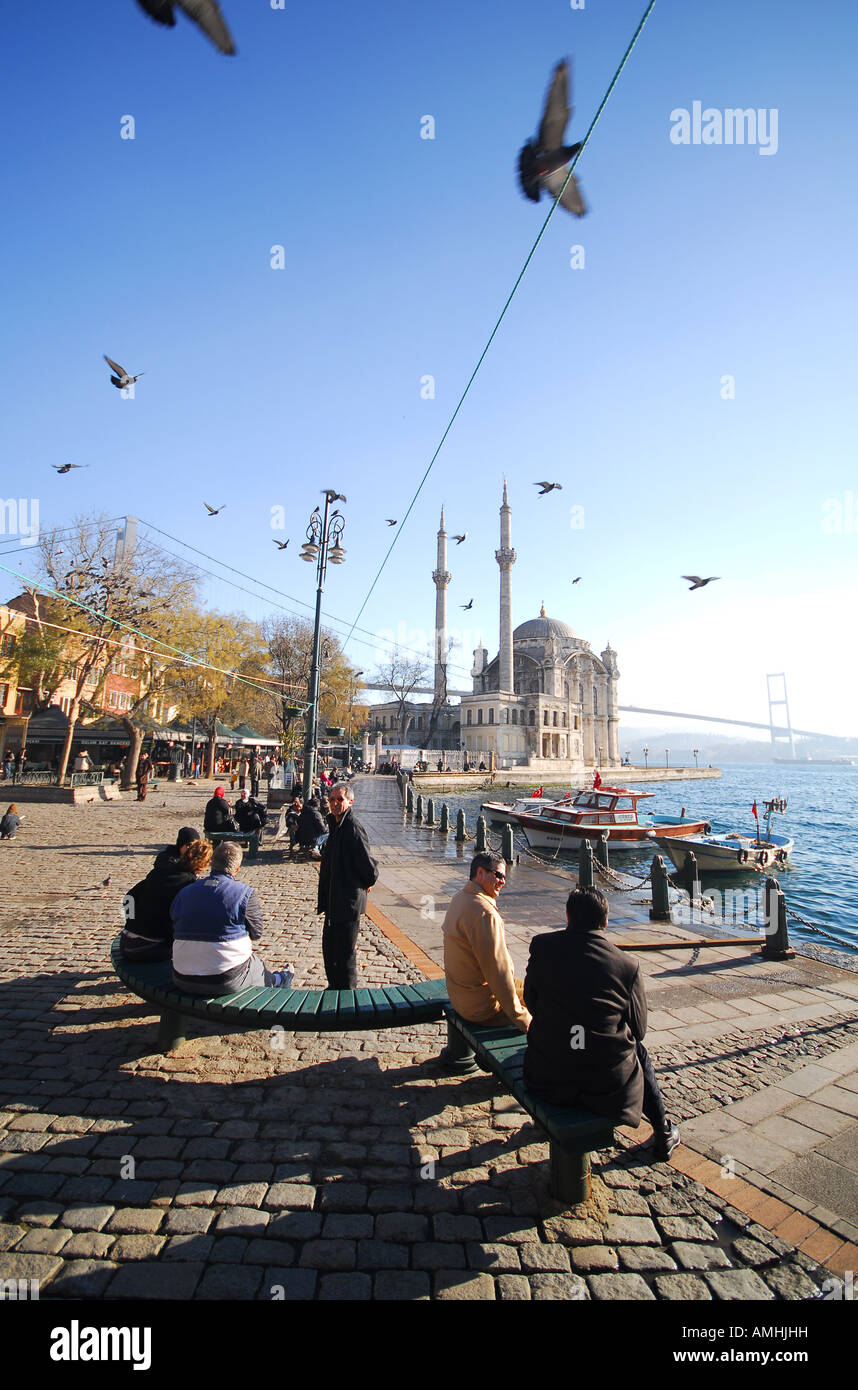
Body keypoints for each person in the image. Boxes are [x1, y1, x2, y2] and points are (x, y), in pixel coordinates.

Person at [523, 886, 680, 1160]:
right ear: (605, 922)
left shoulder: (542, 946)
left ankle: (663, 1130)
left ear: (568, 916)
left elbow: (531, 1002)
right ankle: (662, 1130)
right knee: (638, 1051)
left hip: (546, 1076)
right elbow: (639, 1030)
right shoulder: (626, 965)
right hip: (605, 1088)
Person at [437, 852, 531, 1074]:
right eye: (498, 875)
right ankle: (519, 1065)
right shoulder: (485, 912)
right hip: (481, 1006)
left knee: (535, 989)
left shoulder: (459, 898)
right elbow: (497, 974)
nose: (502, 881)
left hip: (460, 994)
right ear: (480, 873)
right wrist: (522, 1018)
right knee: (546, 1006)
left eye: (504, 876)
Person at [171, 841, 293, 994]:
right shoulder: (243, 893)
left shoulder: (185, 892)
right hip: (224, 979)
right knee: (255, 965)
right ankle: (279, 980)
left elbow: (174, 923)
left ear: (211, 863)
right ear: (236, 869)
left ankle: (277, 979)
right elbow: (256, 932)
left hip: (182, 976)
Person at [316, 784, 378, 988]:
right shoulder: (335, 826)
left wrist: (365, 883)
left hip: (347, 901)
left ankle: (347, 997)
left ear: (350, 802)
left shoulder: (352, 827)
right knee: (330, 952)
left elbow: (368, 869)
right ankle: (334, 990)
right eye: (332, 799)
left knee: (345, 954)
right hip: (333, 901)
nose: (334, 803)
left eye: (339, 800)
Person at [120, 830, 211, 962]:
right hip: (145, 947)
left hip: (126, 940)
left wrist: (131, 923)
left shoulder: (160, 871)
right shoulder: (187, 883)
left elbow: (129, 897)